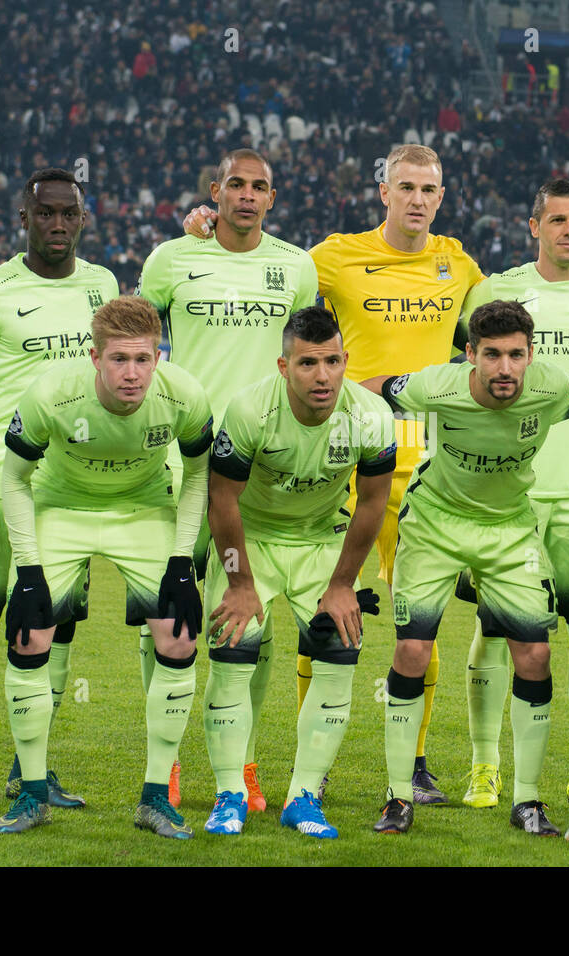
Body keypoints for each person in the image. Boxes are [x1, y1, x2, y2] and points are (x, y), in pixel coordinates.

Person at [183, 144, 569, 803]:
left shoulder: (459, 266)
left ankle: (415, 765)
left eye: (430, 189)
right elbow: (262, 265)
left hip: (427, 464)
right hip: (348, 454)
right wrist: (209, 228)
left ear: (440, 198)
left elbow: (516, 307)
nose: (418, 199)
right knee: (324, 612)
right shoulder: (332, 257)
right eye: (407, 186)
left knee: (424, 620)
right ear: (382, 190)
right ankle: (309, 769)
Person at [362, 299, 569, 836]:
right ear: (470, 354)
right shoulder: (436, 386)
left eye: (516, 355)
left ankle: (527, 800)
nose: (505, 368)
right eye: (492, 355)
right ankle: (398, 796)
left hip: (509, 529)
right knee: (411, 649)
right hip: (435, 522)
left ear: (531, 354)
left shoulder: (550, 387)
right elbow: (374, 387)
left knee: (535, 655)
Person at [138, 148, 319, 812]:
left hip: (262, 467)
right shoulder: (170, 260)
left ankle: (240, 762)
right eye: (235, 184)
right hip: (180, 463)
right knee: (167, 616)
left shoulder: (296, 267)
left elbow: (305, 356)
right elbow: (135, 342)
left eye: (259, 186)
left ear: (273, 198)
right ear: (214, 191)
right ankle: (171, 760)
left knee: (254, 620)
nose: (246, 194)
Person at [0, 296, 213, 835]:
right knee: (28, 637)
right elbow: (13, 480)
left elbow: (200, 478)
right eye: (119, 359)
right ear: (95, 358)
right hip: (62, 509)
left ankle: (155, 798)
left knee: (181, 637)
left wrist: (182, 563)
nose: (132, 373)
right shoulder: (52, 394)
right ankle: (32, 791)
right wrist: (27, 571)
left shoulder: (184, 396)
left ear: (158, 356)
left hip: (143, 511)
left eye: (143, 358)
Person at [455, 179, 569, 819]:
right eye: (556, 219)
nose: (568, 230)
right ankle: (484, 766)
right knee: (496, 630)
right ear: (534, 225)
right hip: (512, 491)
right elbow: (464, 375)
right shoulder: (495, 290)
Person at [0, 167, 119, 813]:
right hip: (4, 481)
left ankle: (31, 771)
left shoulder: (102, 286)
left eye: (67, 212)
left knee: (58, 631)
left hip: (72, 489)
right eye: (44, 212)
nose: (56, 223)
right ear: (24, 218)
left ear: (83, 217)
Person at [201, 307, 394, 838]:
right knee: (234, 652)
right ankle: (229, 796)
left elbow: (372, 505)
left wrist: (341, 585)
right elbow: (222, 500)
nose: (323, 376)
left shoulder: (372, 415)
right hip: (251, 539)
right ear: (284, 366)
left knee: (339, 652)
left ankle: (304, 797)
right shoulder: (248, 410)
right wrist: (240, 584)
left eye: (332, 362)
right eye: (308, 363)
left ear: (345, 361)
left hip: (322, 543)